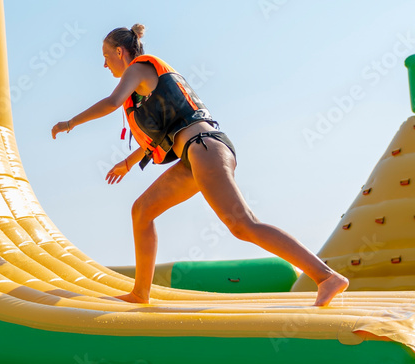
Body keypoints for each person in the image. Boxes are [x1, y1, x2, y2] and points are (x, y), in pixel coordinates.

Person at [51, 24, 349, 307]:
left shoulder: (138, 68)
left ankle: (326, 276)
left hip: (204, 147)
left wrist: (70, 122)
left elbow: (112, 101)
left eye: (105, 56)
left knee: (243, 224)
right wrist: (127, 164)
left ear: (120, 52)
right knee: (141, 211)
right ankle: (140, 293)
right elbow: (156, 139)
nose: (104, 65)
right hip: (193, 156)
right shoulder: (143, 88)